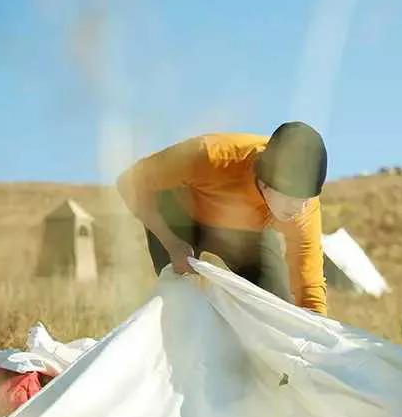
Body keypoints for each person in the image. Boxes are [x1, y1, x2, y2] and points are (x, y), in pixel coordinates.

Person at [117, 122, 329, 315]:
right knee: (181, 304)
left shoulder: (304, 207)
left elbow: (309, 287)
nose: (300, 210)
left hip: (248, 231)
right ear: (265, 183)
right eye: (292, 200)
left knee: (276, 307)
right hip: (180, 218)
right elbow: (129, 182)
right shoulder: (210, 156)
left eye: (306, 199)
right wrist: (171, 243)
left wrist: (320, 338)